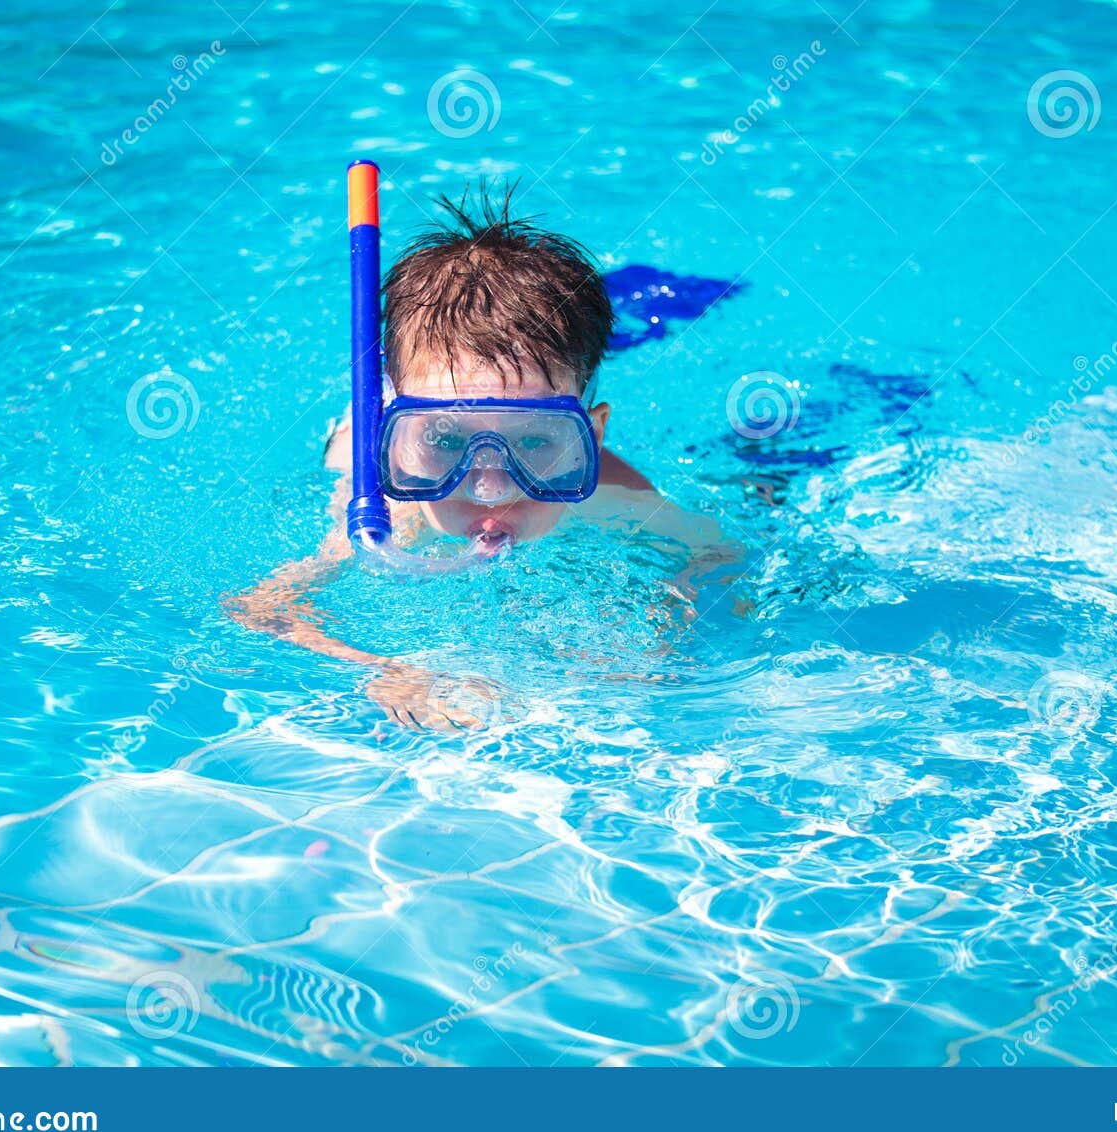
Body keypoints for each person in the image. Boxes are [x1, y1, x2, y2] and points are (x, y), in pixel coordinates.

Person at [228, 190, 737, 730]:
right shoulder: (382, 508)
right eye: (448, 442)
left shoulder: (618, 492)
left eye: (535, 442)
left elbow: (716, 555)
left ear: (592, 436)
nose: (490, 487)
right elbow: (262, 608)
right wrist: (389, 669)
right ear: (391, 438)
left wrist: (669, 613)